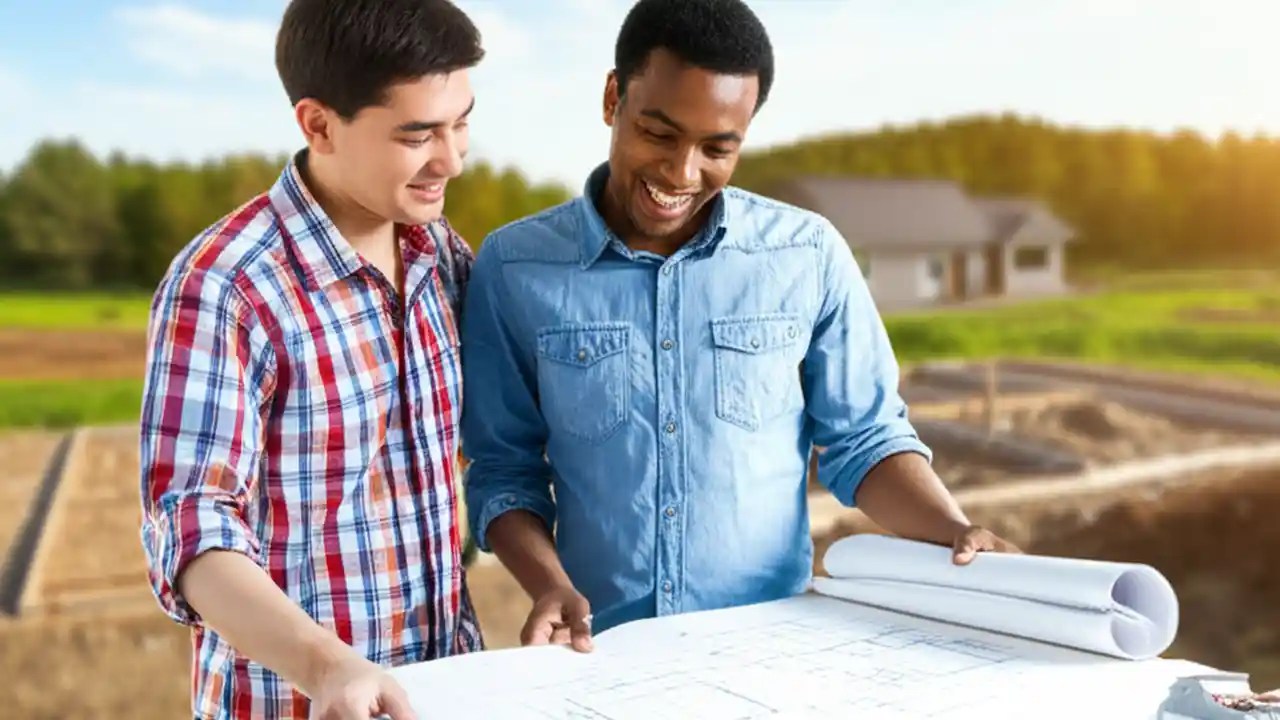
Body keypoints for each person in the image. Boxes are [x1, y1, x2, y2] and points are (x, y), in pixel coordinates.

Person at [460, 0, 1019, 653]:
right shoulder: (514, 266)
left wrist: (953, 529)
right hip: (602, 651)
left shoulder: (806, 256)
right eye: (659, 133)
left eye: (717, 148)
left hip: (773, 649)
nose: (681, 173)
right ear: (614, 97)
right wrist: (549, 584)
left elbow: (864, 440)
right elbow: (504, 469)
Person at [137, 0, 484, 717]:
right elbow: (194, 525)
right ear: (318, 124)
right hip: (292, 703)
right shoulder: (224, 286)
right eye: (417, 134)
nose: (450, 158)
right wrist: (328, 669)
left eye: (460, 122)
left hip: (444, 689)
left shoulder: (439, 253)